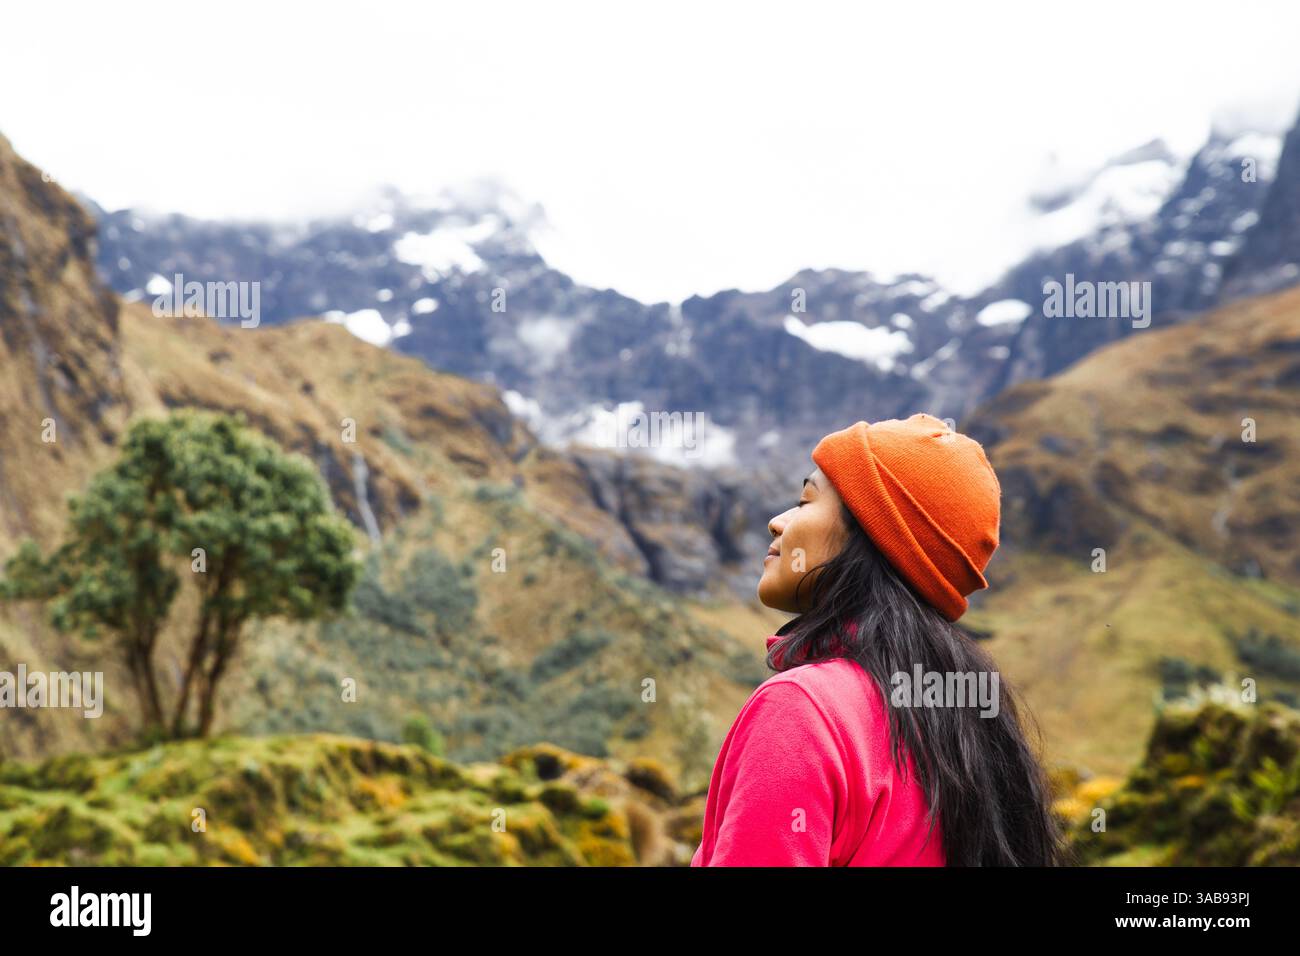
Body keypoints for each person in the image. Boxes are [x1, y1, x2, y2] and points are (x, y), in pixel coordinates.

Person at [691, 414, 1065, 866]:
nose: (777, 522)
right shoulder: (968, 723)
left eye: (806, 501)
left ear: (869, 537)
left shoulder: (802, 709)